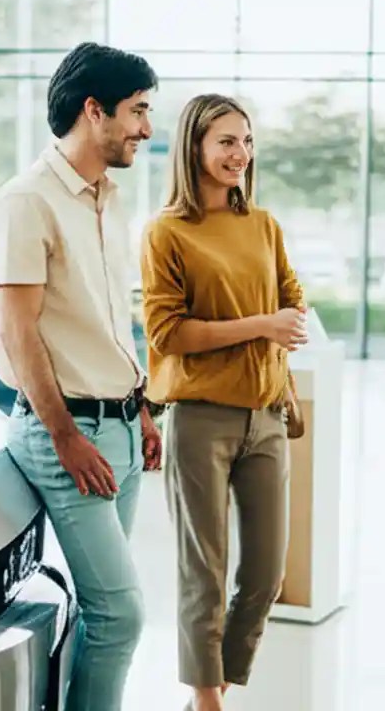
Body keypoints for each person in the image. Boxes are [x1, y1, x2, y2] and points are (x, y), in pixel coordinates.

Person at [0, 42, 163, 711]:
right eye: (138, 112)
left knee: (101, 613)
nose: (146, 128)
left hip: (117, 428)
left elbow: (111, 318)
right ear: (95, 110)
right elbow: (17, 331)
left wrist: (139, 406)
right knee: (122, 614)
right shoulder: (26, 201)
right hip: (67, 436)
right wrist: (64, 437)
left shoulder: (107, 200)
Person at [140, 93, 308, 711]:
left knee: (265, 575)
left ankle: (213, 689)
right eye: (226, 142)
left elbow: (293, 300)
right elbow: (168, 334)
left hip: (265, 417)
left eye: (247, 141)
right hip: (199, 419)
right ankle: (208, 699)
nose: (241, 154)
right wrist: (261, 323)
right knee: (202, 575)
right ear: (194, 149)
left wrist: (275, 323)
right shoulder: (166, 233)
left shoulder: (263, 225)